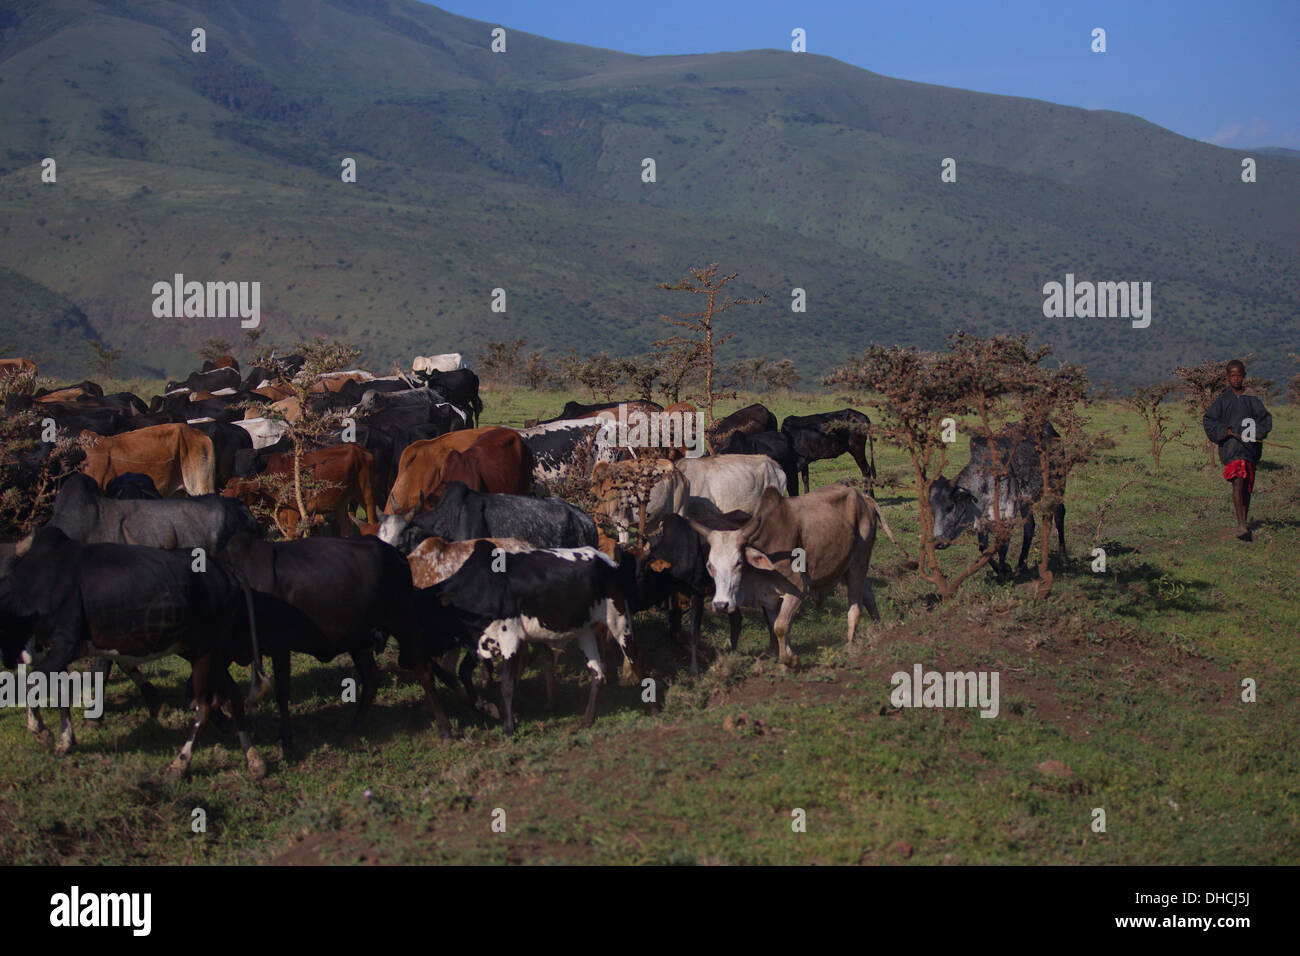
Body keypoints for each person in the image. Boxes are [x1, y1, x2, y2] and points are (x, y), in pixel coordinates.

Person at [1202, 359, 1272, 541]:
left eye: (1239, 375)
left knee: (1247, 486)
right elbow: (1209, 420)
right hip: (1232, 449)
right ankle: (1241, 524)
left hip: (1250, 449)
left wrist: (1256, 432)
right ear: (1227, 377)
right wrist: (1225, 431)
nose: (1236, 379)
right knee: (1238, 481)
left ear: (1244, 376)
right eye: (1232, 376)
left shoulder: (1252, 399)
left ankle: (1244, 520)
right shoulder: (1223, 400)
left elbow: (1265, 420)